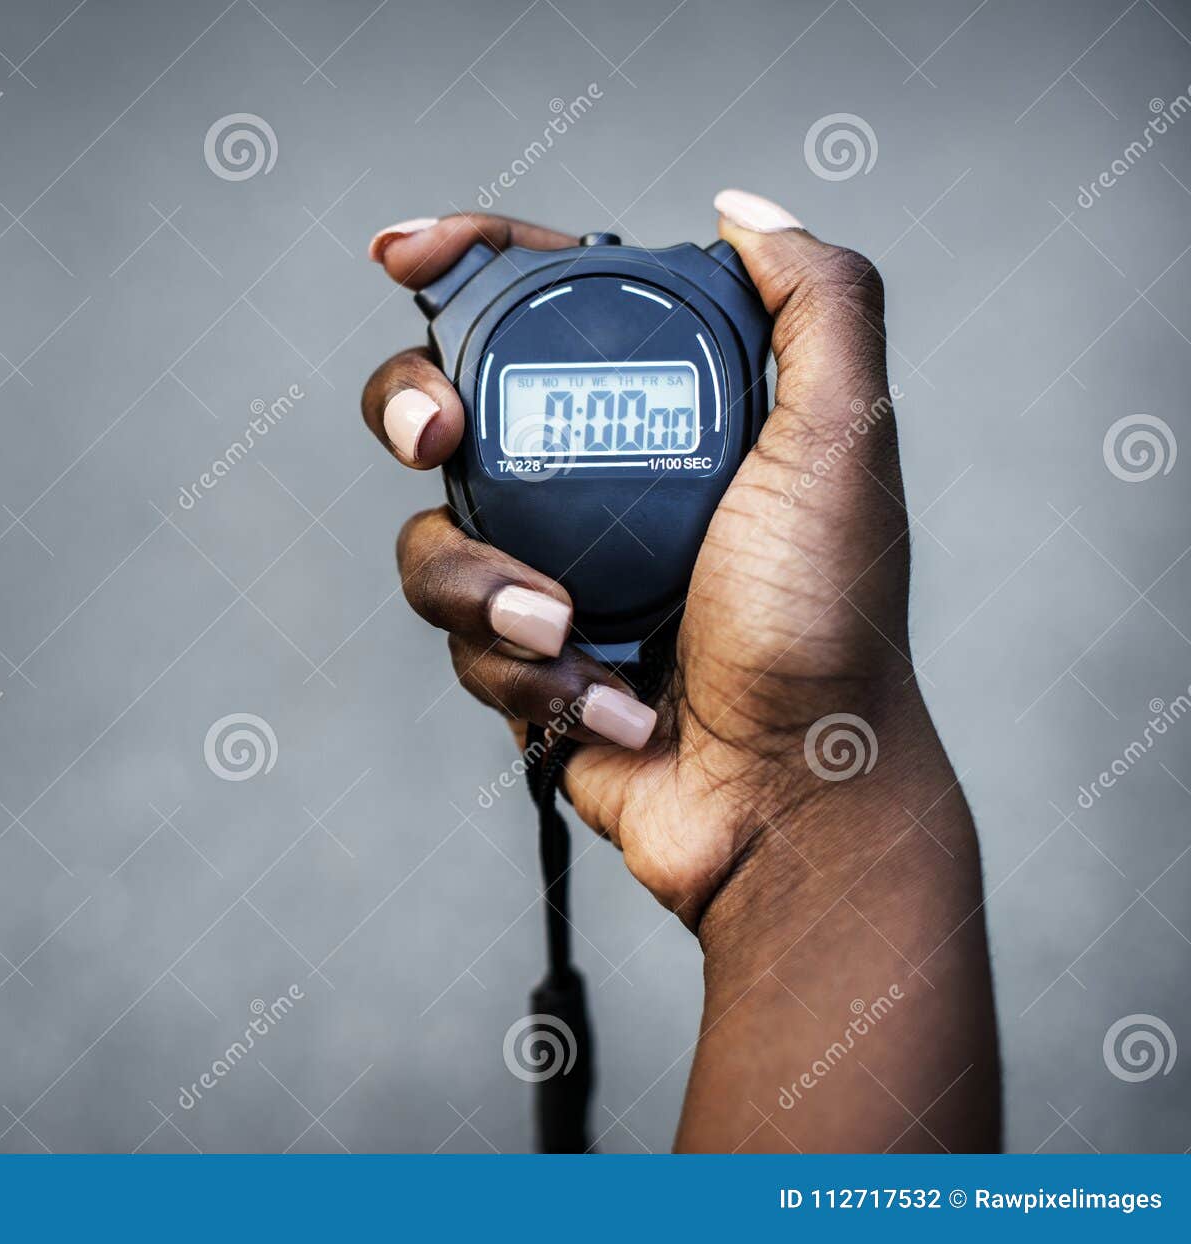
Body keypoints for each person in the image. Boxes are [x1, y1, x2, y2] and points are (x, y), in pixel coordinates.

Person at [361, 190, 1001, 1152]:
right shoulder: (710, 299)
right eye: (570, 414)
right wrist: (806, 817)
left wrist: (792, 805)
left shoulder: (490, 305)